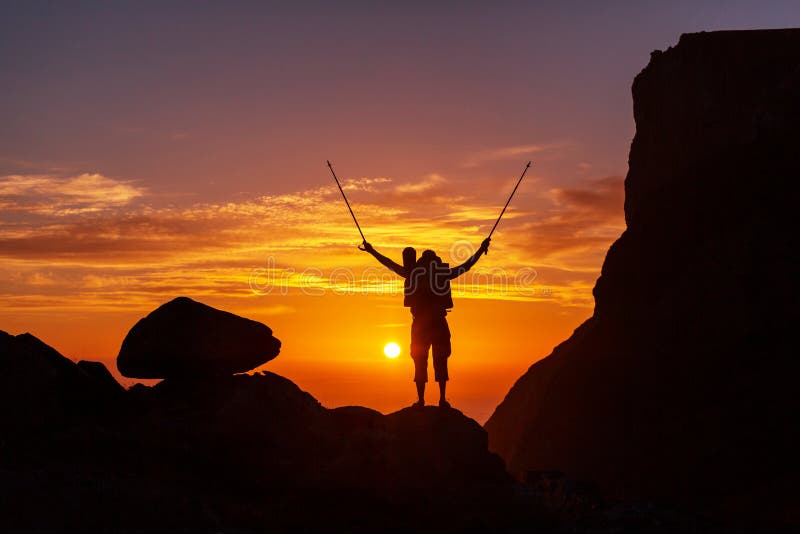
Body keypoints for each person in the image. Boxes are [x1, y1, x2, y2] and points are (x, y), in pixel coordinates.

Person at [361, 237, 490, 408]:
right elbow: (466, 265)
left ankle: (421, 400)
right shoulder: (442, 273)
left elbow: (389, 264)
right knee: (440, 360)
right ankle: (442, 399)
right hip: (439, 323)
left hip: (420, 325)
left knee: (420, 360)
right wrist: (481, 249)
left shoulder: (413, 273)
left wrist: (371, 251)